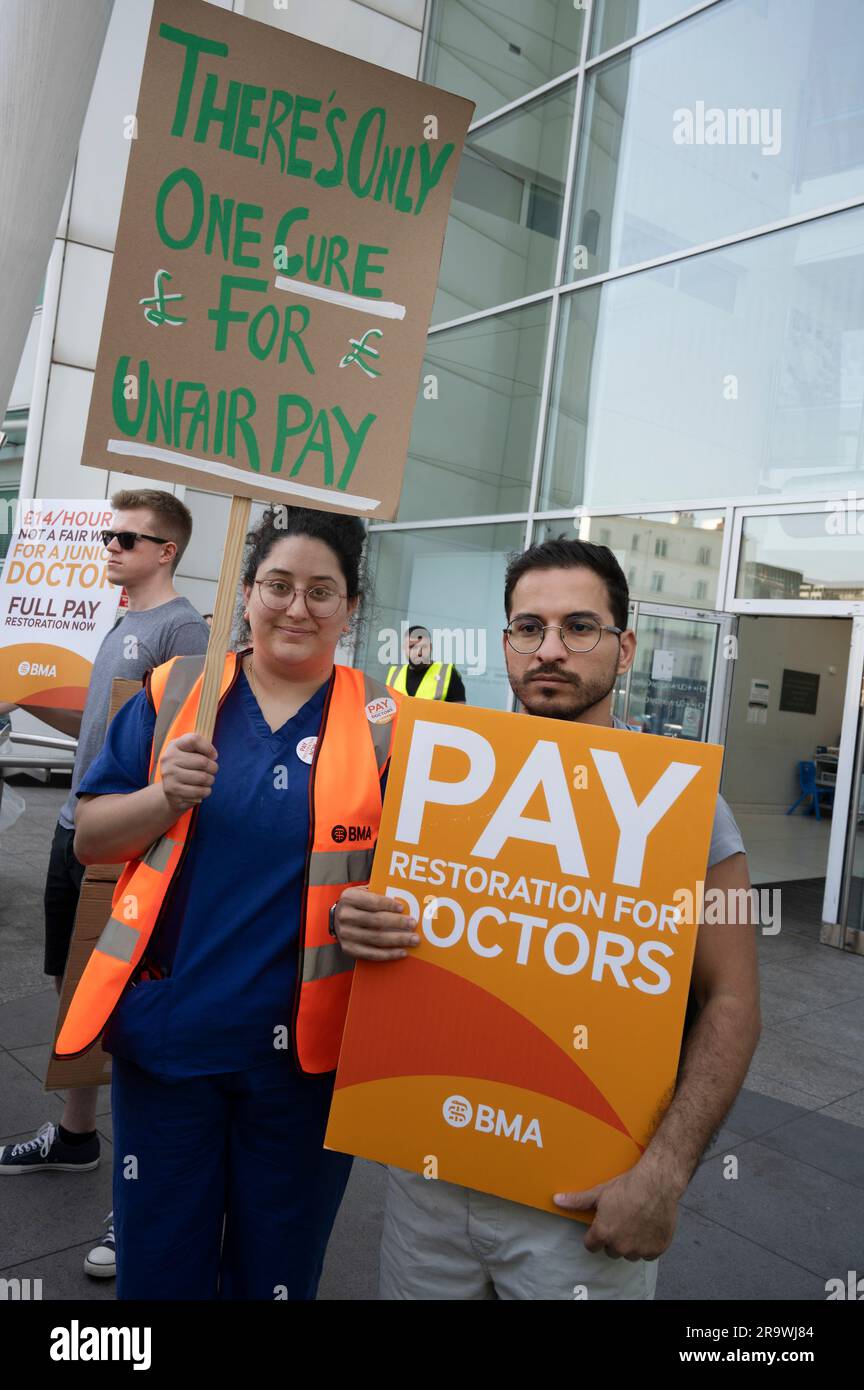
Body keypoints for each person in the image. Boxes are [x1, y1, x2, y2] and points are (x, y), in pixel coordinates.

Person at [333, 539, 761, 1301]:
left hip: (586, 1203)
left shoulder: (689, 805)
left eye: (580, 627)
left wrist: (664, 1175)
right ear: (506, 644)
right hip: (429, 1185)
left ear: (624, 647)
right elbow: (392, 922)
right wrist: (358, 923)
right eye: (529, 628)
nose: (551, 650)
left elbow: (733, 1002)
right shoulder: (440, 776)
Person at [54, 505, 399, 1300]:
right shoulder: (177, 693)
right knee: (159, 1275)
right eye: (277, 584)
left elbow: (418, 887)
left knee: (275, 1277)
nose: (296, 607)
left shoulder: (389, 725)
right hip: (173, 1045)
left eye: (322, 591)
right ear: (245, 594)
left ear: (350, 608)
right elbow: (91, 839)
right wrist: (160, 798)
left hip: (307, 1065)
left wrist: (384, 912)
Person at [0, 489, 209, 1276]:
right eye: (110, 533)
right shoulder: (125, 624)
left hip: (126, 845)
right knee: (73, 986)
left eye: (130, 537)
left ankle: (137, 1192)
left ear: (168, 552)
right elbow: (103, 731)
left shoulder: (181, 628)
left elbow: (173, 748)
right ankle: (77, 1135)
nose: (112, 545)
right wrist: (27, 702)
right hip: (73, 830)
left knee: (125, 998)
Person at [387, 624, 466, 702]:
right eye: (411, 647)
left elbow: (459, 712)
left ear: (430, 647)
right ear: (404, 648)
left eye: (423, 647)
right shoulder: (394, 673)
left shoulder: (447, 673)